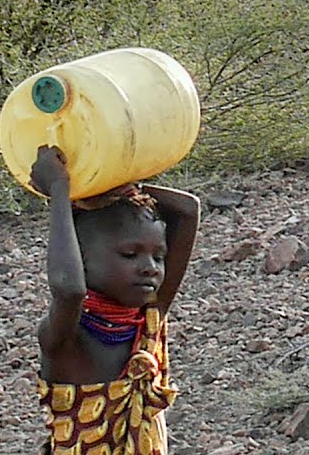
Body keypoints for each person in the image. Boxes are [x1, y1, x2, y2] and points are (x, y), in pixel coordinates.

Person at [27, 145, 201, 455]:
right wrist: (60, 190)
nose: (150, 267)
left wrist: (113, 180)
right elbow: (69, 290)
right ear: (81, 259)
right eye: (129, 255)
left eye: (158, 257)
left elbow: (188, 210)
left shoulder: (147, 318)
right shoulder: (68, 339)